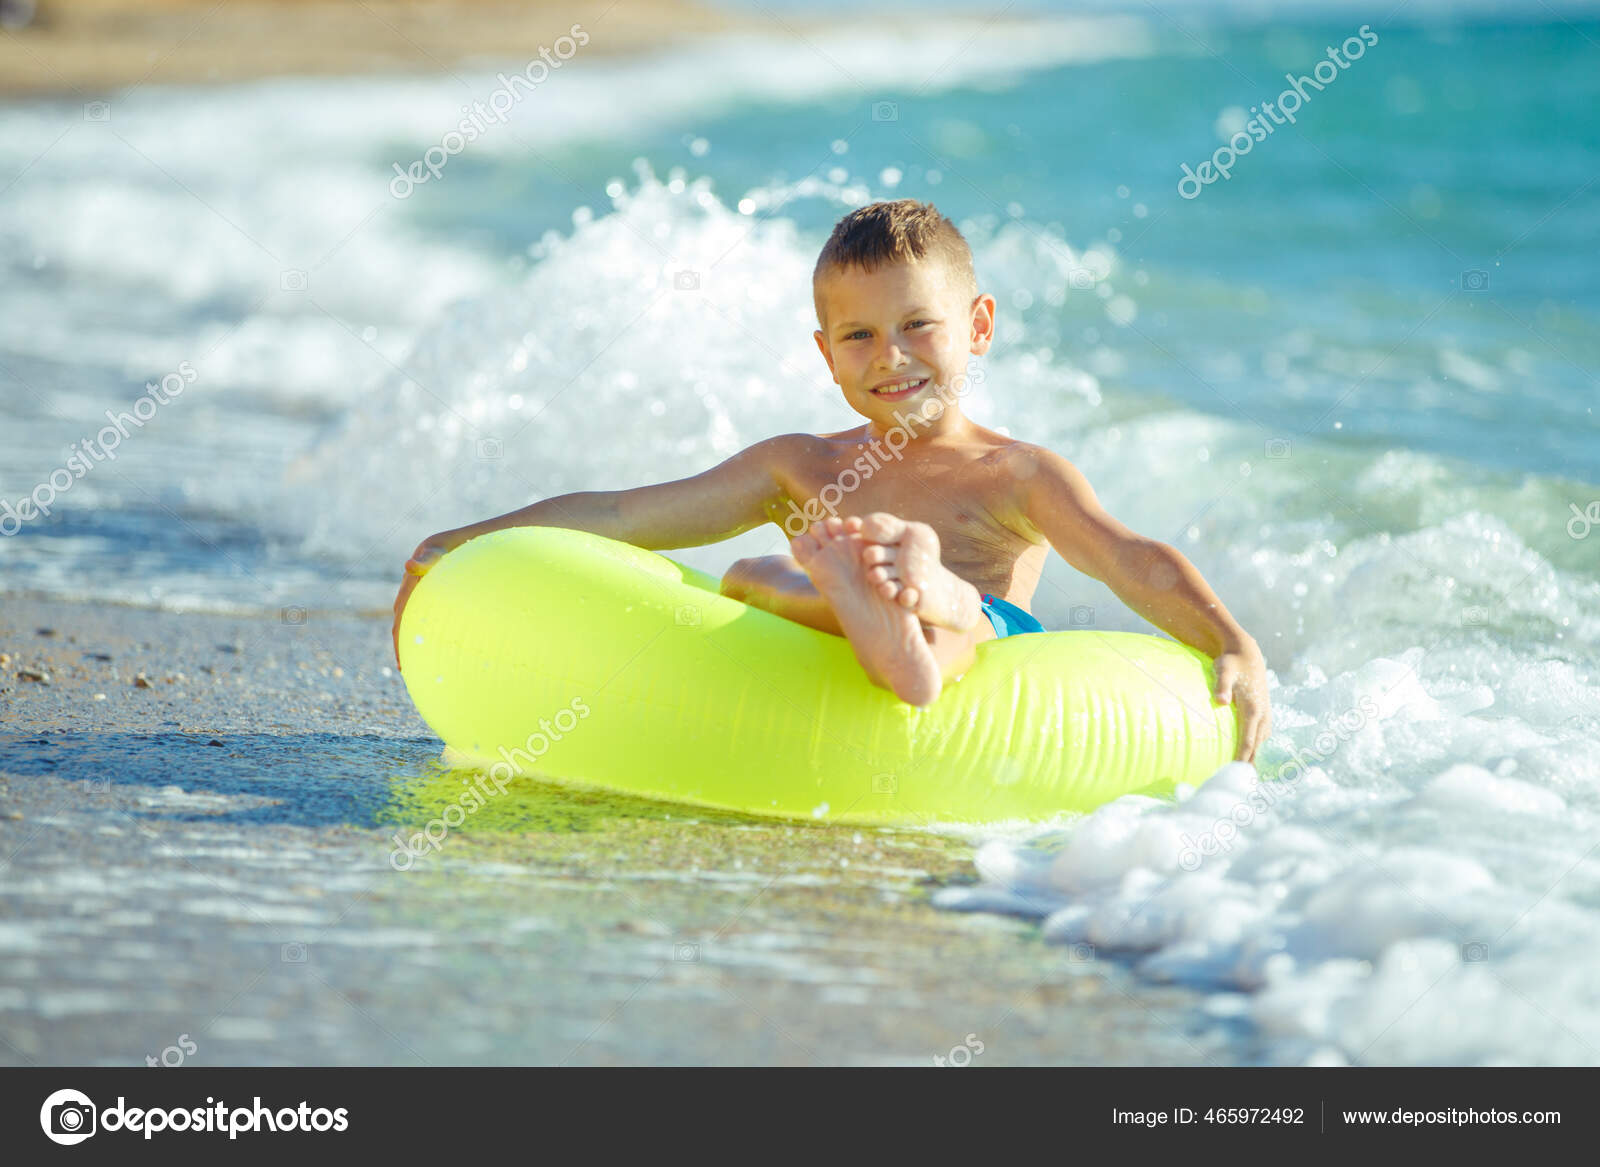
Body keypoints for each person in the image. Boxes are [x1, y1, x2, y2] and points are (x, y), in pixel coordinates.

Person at [394, 200, 1271, 761]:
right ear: (826, 352)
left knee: (956, 615)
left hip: (977, 638)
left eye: (918, 326)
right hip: (840, 624)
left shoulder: (1015, 473)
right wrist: (473, 538)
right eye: (859, 336)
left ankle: (914, 601)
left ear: (978, 326)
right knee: (753, 575)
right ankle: (873, 601)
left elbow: (1128, 558)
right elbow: (626, 513)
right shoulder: (799, 464)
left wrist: (1231, 640)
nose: (890, 356)